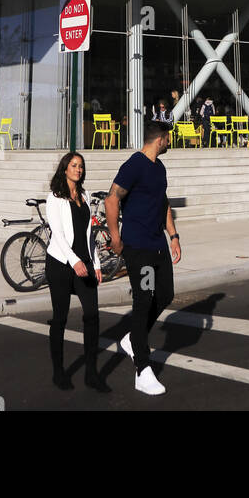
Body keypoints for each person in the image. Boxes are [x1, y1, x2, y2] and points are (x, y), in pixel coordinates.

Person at [106, 121, 181, 397]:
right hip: (139, 248)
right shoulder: (134, 164)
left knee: (165, 295)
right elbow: (112, 199)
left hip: (158, 245)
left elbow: (163, 203)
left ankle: (132, 338)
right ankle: (142, 370)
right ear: (160, 139)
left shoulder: (159, 168)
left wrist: (173, 236)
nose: (170, 141)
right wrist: (115, 237)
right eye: (168, 138)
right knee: (144, 299)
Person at [45, 152, 106, 392]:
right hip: (60, 264)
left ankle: (91, 373)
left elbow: (89, 234)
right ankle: (59, 373)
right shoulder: (55, 197)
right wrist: (74, 261)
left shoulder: (84, 195)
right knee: (60, 318)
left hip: (85, 263)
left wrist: (97, 263)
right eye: (74, 165)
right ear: (65, 168)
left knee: (92, 315)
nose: (78, 170)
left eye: (81, 166)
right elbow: (57, 235)